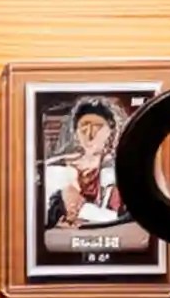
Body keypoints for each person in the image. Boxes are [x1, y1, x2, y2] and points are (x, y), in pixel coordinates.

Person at [45, 96, 127, 228]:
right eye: (83, 126)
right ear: (76, 132)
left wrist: (83, 209)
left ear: (111, 130)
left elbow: (119, 219)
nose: (89, 134)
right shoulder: (55, 168)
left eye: (97, 127)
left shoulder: (120, 170)